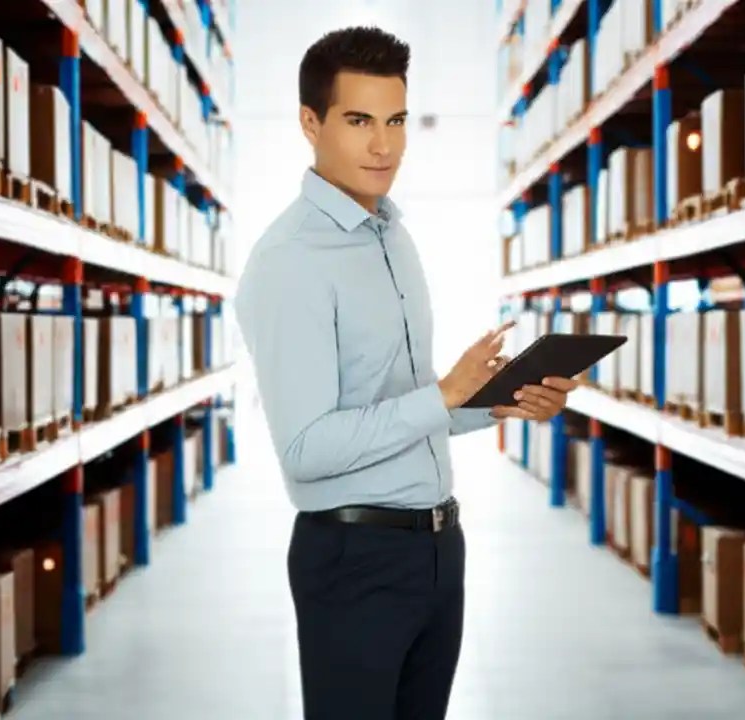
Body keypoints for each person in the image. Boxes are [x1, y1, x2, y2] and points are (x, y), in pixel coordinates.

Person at [234, 26, 577, 720]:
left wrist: (507, 401)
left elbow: (407, 407)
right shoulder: (290, 261)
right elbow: (306, 449)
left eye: (395, 121)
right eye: (359, 121)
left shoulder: (393, 235)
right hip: (354, 558)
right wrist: (443, 393)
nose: (384, 145)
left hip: (437, 551)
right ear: (311, 122)